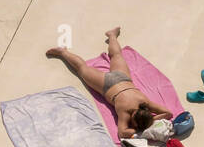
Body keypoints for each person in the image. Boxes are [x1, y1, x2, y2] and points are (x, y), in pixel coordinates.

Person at [45, 27, 173, 139]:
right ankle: (63, 52)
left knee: (117, 55)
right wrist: (143, 129)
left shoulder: (145, 103)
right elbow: (122, 133)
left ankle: (112, 35)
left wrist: (151, 120)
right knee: (82, 69)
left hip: (123, 79)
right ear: (133, 118)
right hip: (107, 85)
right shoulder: (125, 111)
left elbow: (168, 113)